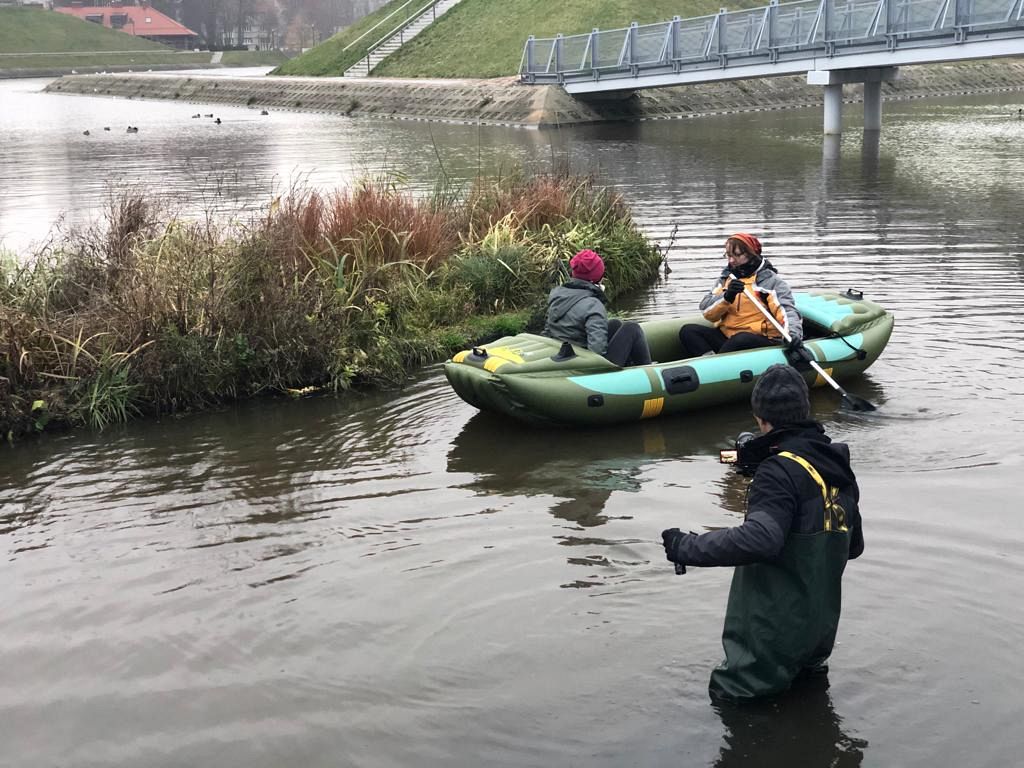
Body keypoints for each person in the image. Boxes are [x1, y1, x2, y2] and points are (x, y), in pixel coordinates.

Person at [661, 364, 864, 702]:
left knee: (732, 716)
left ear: (760, 418)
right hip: (817, 638)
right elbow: (853, 547)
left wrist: (686, 546)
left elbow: (760, 539)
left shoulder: (776, 472)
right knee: (811, 711)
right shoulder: (837, 468)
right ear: (804, 410)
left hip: (768, 644)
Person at [679, 233, 802, 357]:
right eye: (728, 255)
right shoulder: (726, 278)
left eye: (737, 255)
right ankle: (710, 363)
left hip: (761, 339)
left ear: (751, 254)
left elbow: (787, 311)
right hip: (728, 336)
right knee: (689, 331)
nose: (731, 260)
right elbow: (707, 312)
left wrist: (792, 334)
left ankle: (715, 365)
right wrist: (727, 297)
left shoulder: (771, 282)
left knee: (740, 339)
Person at [544, 249, 652, 367]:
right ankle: (649, 370)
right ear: (596, 278)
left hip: (568, 354)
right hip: (591, 367)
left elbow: (548, 330)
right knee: (632, 328)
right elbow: (597, 352)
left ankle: (630, 364)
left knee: (614, 324)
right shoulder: (592, 305)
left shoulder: (557, 294)